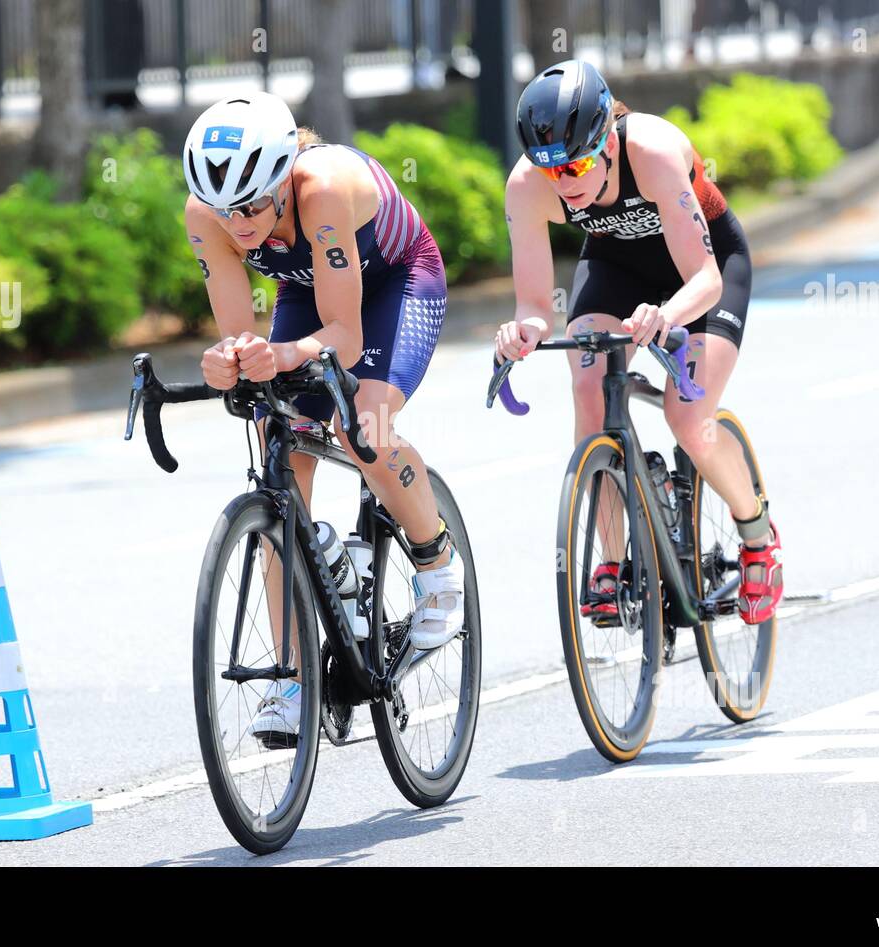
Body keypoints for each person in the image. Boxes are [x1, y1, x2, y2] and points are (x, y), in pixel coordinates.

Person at [183, 92, 463, 741]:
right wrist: (230, 361)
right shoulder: (207, 215)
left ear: (284, 174)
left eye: (254, 203)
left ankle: (438, 564)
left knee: (363, 423)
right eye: (229, 211)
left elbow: (347, 332)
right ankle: (293, 675)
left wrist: (281, 353)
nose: (242, 223)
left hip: (396, 282)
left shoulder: (324, 188)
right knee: (276, 439)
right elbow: (236, 336)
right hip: (311, 290)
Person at [494, 59, 783, 626]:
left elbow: (705, 278)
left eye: (576, 165)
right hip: (616, 268)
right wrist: (524, 328)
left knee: (689, 417)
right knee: (588, 391)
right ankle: (610, 561)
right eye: (551, 170)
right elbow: (534, 302)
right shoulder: (528, 185)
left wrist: (668, 314)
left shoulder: (650, 151)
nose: (566, 184)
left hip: (703, 272)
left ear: (604, 141)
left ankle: (756, 533)